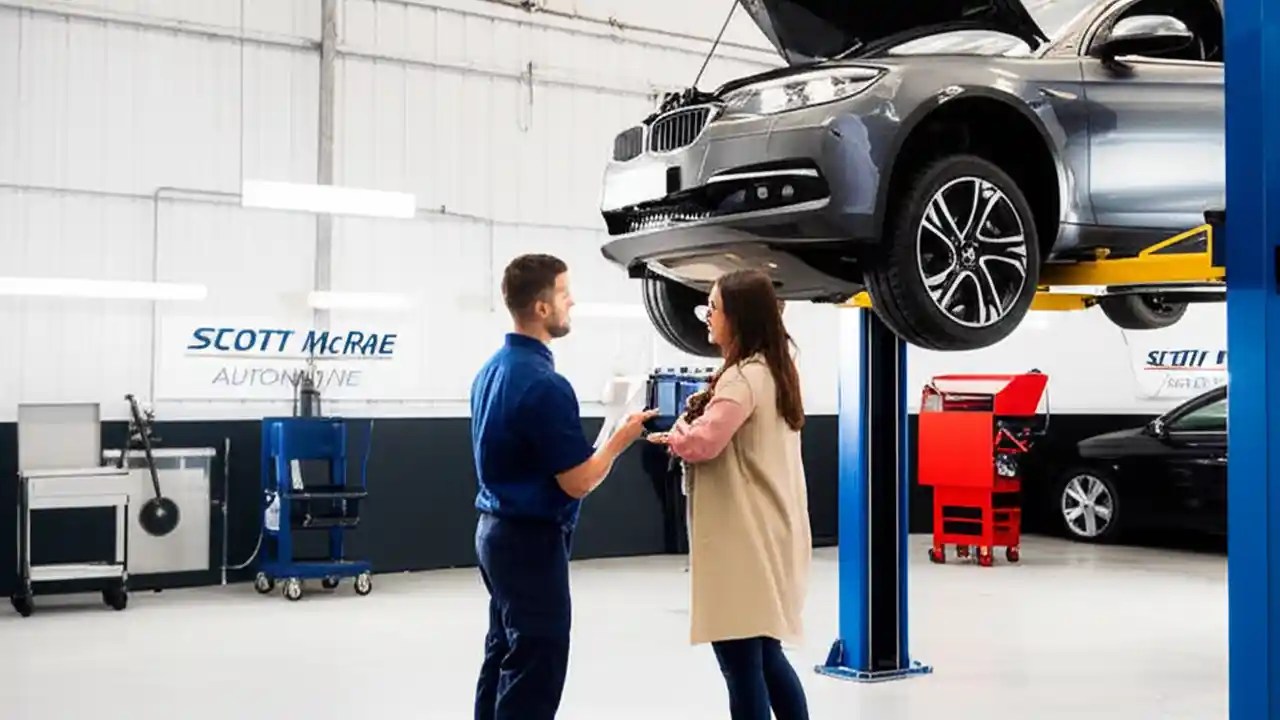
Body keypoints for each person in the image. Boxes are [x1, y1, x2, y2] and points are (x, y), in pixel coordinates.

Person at [470, 253, 656, 720]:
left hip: (494, 533)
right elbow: (577, 482)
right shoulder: (546, 385)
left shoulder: (489, 371)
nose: (572, 301)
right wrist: (619, 442)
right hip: (530, 542)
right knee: (537, 663)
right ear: (541, 308)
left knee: (504, 650)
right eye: (564, 292)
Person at [647, 268, 812, 720]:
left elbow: (703, 443)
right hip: (768, 536)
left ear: (737, 317)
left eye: (714, 308)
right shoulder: (776, 372)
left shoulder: (742, 379)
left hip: (744, 545)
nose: (707, 318)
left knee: (741, 667)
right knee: (767, 656)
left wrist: (678, 431)